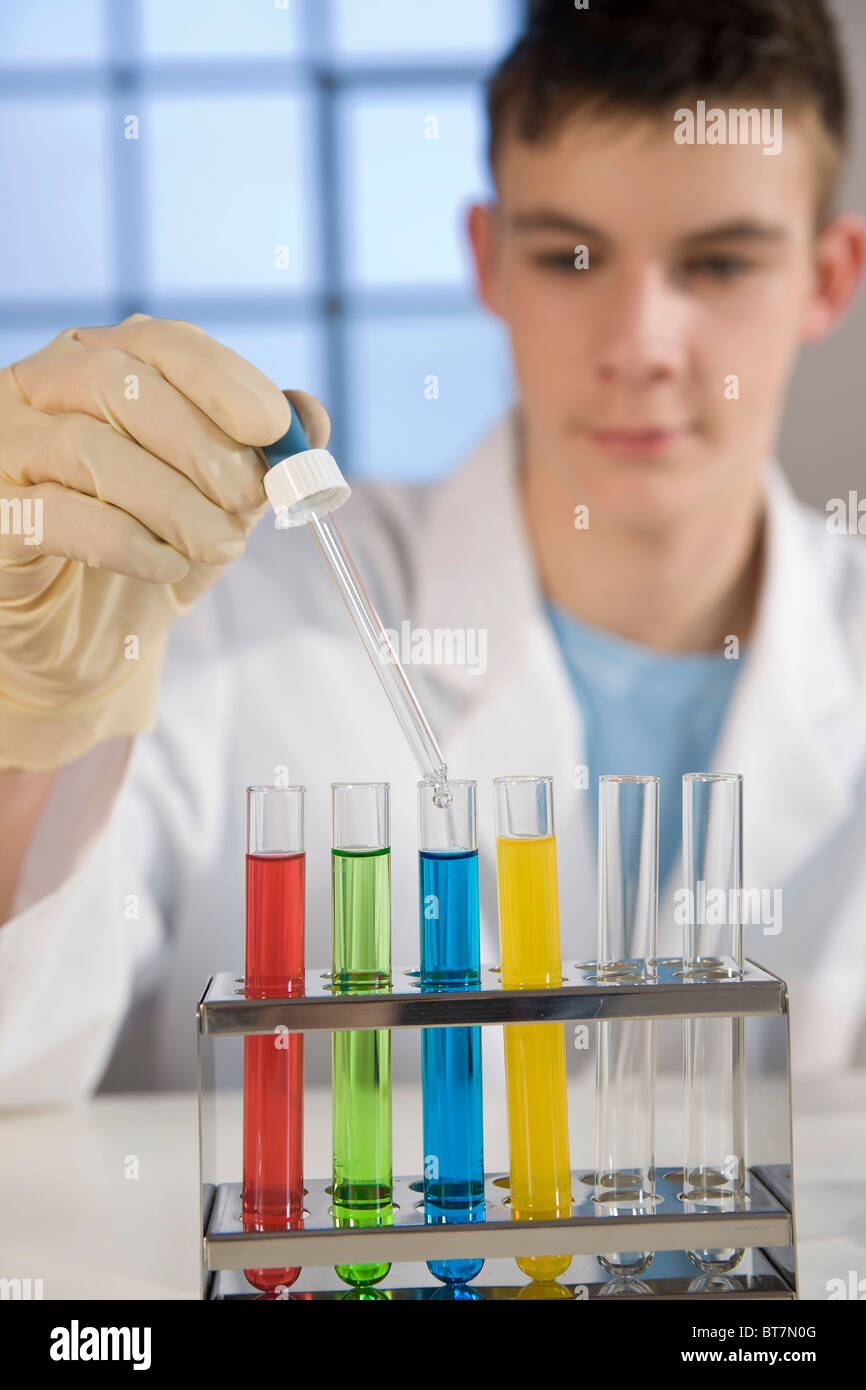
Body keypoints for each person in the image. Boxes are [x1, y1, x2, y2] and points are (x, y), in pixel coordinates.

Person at [0, 0, 864, 1104]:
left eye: (719, 263)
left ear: (827, 277)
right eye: (570, 257)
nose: (641, 345)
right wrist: (20, 736)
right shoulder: (230, 614)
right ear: (487, 259)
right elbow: (12, 1067)